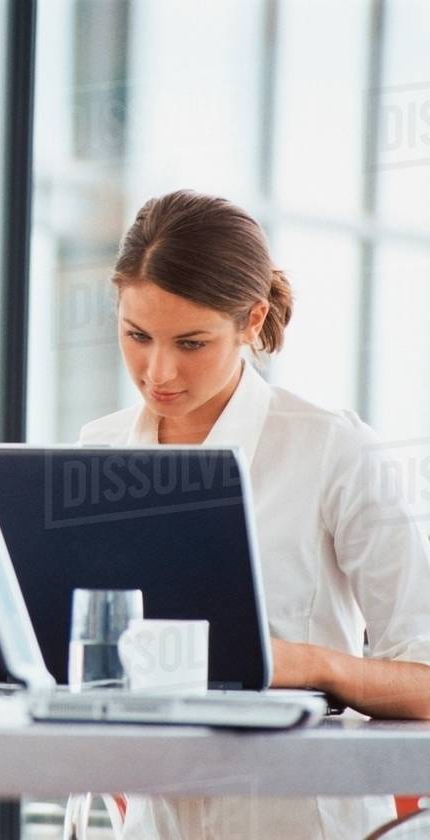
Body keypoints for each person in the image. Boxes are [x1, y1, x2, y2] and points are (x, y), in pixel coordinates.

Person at [79, 189, 430, 840]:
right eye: (137, 336)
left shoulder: (332, 449)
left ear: (252, 320)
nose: (158, 372)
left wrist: (314, 665)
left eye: (191, 342)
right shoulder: (97, 453)